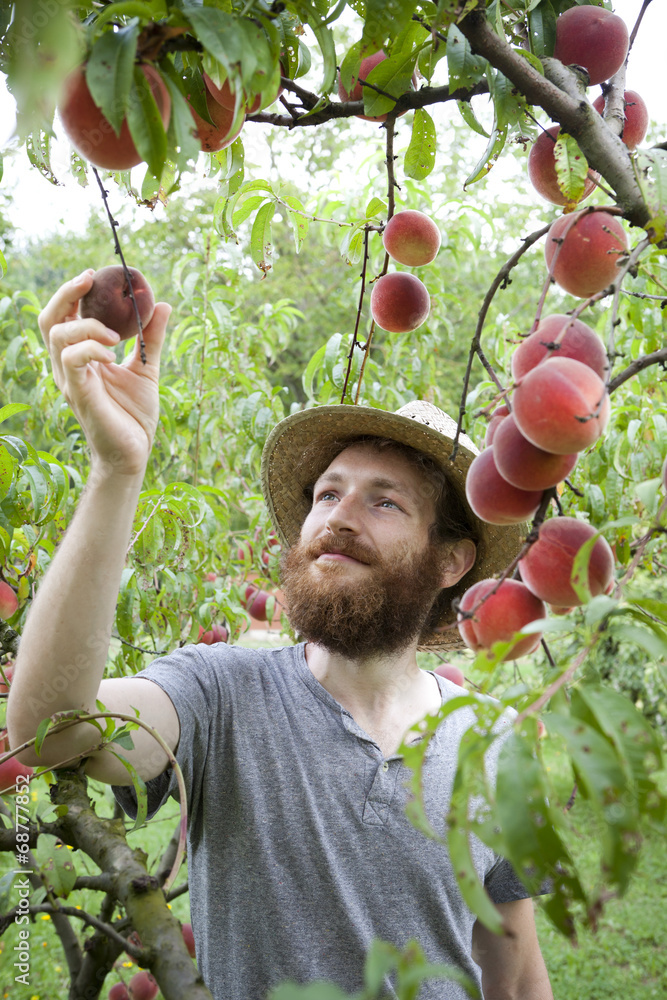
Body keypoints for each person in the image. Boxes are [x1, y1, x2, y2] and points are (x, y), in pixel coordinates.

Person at [8, 272, 553, 1000]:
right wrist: (116, 468)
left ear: (451, 560)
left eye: (383, 501)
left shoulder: (496, 740)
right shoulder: (219, 694)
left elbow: (513, 971)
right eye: (326, 493)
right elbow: (50, 732)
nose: (337, 515)